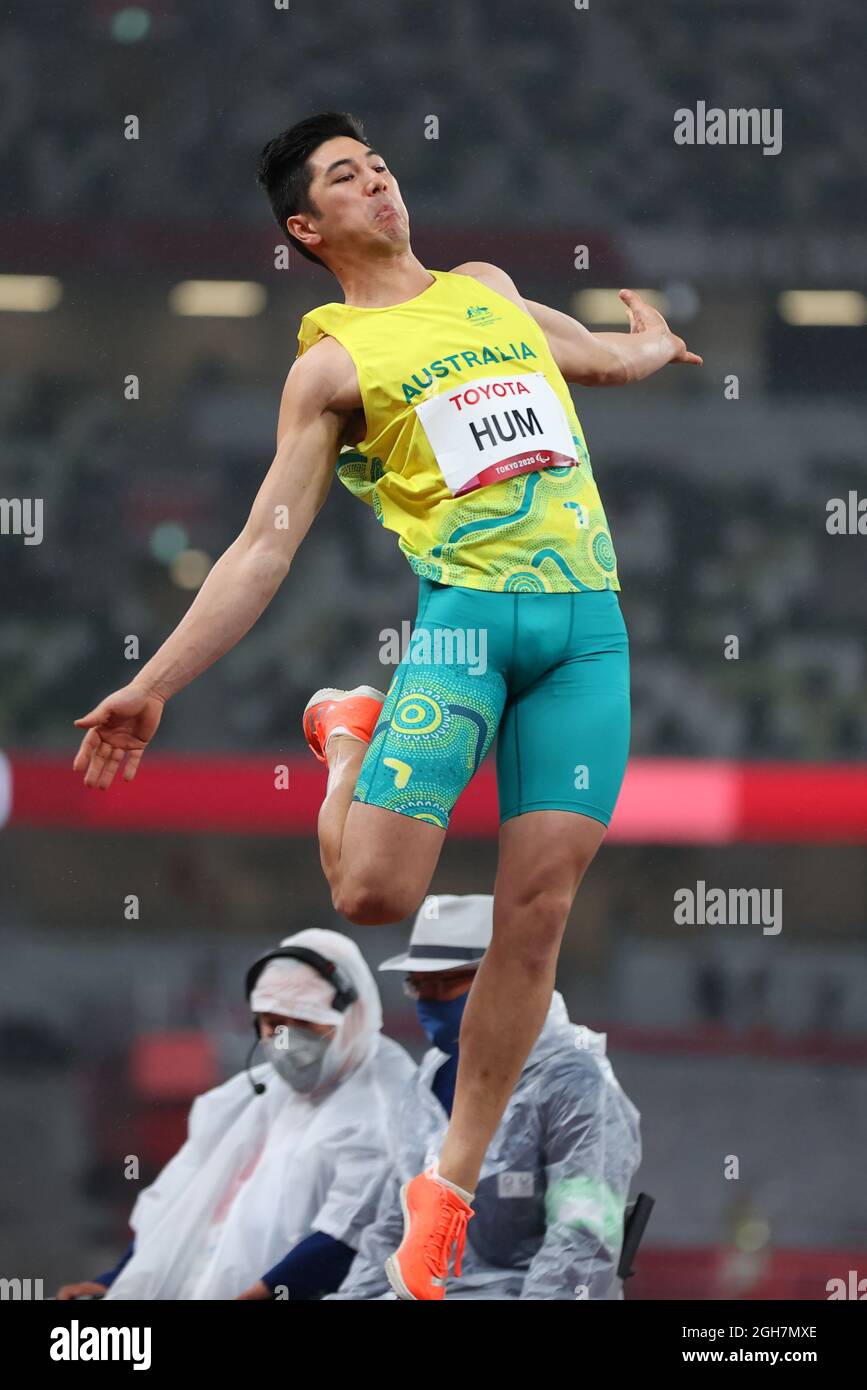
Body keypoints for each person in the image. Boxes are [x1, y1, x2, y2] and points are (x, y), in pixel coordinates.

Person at [71, 110, 700, 1298]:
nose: (381, 184)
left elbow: (587, 358)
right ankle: (348, 733)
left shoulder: (488, 291)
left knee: (540, 901)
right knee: (375, 895)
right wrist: (153, 683)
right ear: (308, 228)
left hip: (589, 631)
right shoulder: (331, 369)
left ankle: (446, 1191)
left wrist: (649, 344)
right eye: (349, 179)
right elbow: (261, 548)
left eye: (383, 165)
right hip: (466, 623)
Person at [56, 929, 414, 1300]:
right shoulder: (248, 1100)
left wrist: (263, 1293)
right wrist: (117, 1279)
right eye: (273, 1024)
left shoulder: (383, 1108)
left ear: (352, 1014)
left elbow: (346, 1237)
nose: (286, 1041)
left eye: (304, 1023)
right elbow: (184, 1207)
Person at [326, 894, 641, 1300]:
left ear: (507, 977)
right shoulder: (425, 1085)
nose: (430, 1002)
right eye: (419, 987)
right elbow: (393, 1228)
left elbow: (583, 1236)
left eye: (447, 983)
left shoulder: (575, 1085)